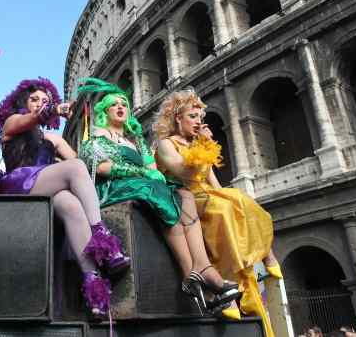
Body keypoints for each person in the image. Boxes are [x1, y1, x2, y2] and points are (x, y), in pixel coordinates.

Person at [76, 78, 240, 317]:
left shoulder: (137, 140)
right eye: (114, 105)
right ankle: (192, 271)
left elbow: (152, 167)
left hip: (141, 185)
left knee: (183, 194)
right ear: (104, 111)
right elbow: (102, 169)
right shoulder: (97, 137)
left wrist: (151, 171)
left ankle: (200, 267)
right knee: (154, 190)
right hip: (113, 188)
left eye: (124, 104)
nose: (121, 107)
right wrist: (143, 172)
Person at [0, 77, 130, 317]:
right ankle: (102, 237)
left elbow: (82, 165)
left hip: (46, 189)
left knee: (71, 204)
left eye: (45, 101)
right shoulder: (11, 123)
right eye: (34, 99)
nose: (39, 104)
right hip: (18, 186)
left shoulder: (53, 139)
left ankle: (93, 283)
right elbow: (33, 120)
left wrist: (97, 148)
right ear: (23, 101)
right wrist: (55, 108)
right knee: (74, 168)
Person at [154, 89, 281, 331]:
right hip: (183, 196)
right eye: (192, 116)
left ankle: (265, 255)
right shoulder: (166, 145)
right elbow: (184, 173)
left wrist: (231, 198)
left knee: (236, 199)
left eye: (200, 117)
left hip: (206, 195)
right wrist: (204, 148)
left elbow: (214, 183)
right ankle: (227, 290)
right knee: (222, 210)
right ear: (177, 118)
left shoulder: (198, 144)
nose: (198, 121)